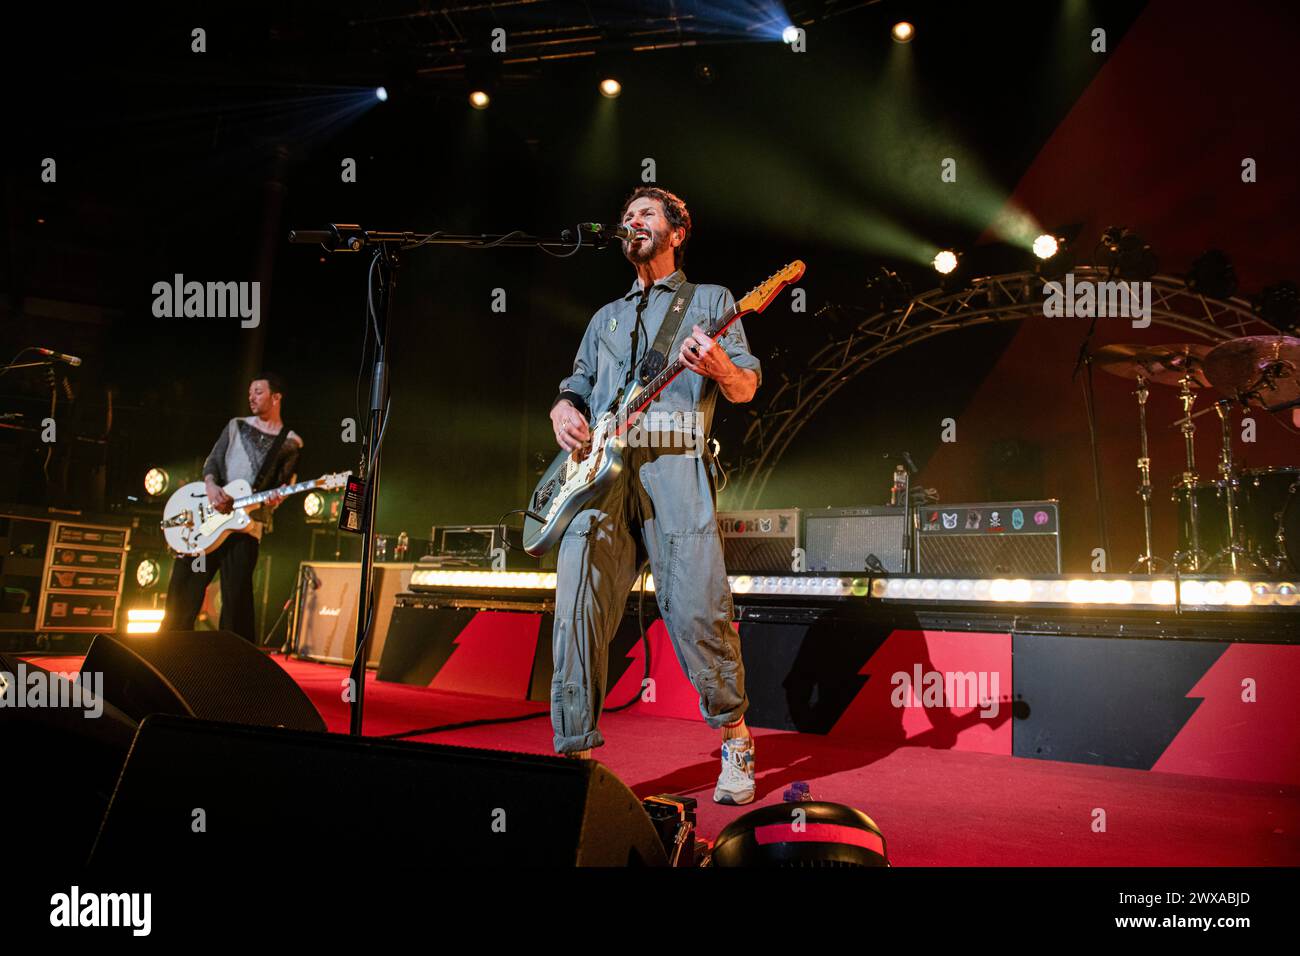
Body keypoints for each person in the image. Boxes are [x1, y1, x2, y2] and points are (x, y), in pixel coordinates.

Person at [548, 186, 762, 804]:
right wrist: (564, 410)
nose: (630, 223)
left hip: (675, 465)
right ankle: (576, 760)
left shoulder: (713, 301)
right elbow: (577, 388)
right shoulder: (604, 319)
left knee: (698, 612)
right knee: (578, 604)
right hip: (600, 477)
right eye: (625, 218)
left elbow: (745, 386)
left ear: (677, 231)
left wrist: (719, 366)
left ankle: (736, 740)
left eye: (645, 215)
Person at [161, 374, 302, 643]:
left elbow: (284, 485)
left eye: (258, 392)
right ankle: (169, 648)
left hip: (247, 525)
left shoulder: (291, 442)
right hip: (209, 518)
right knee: (185, 586)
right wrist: (211, 487)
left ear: (276, 397)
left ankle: (235, 662)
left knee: (236, 597)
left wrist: (277, 499)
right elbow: (213, 461)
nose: (251, 397)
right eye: (250, 392)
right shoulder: (236, 425)